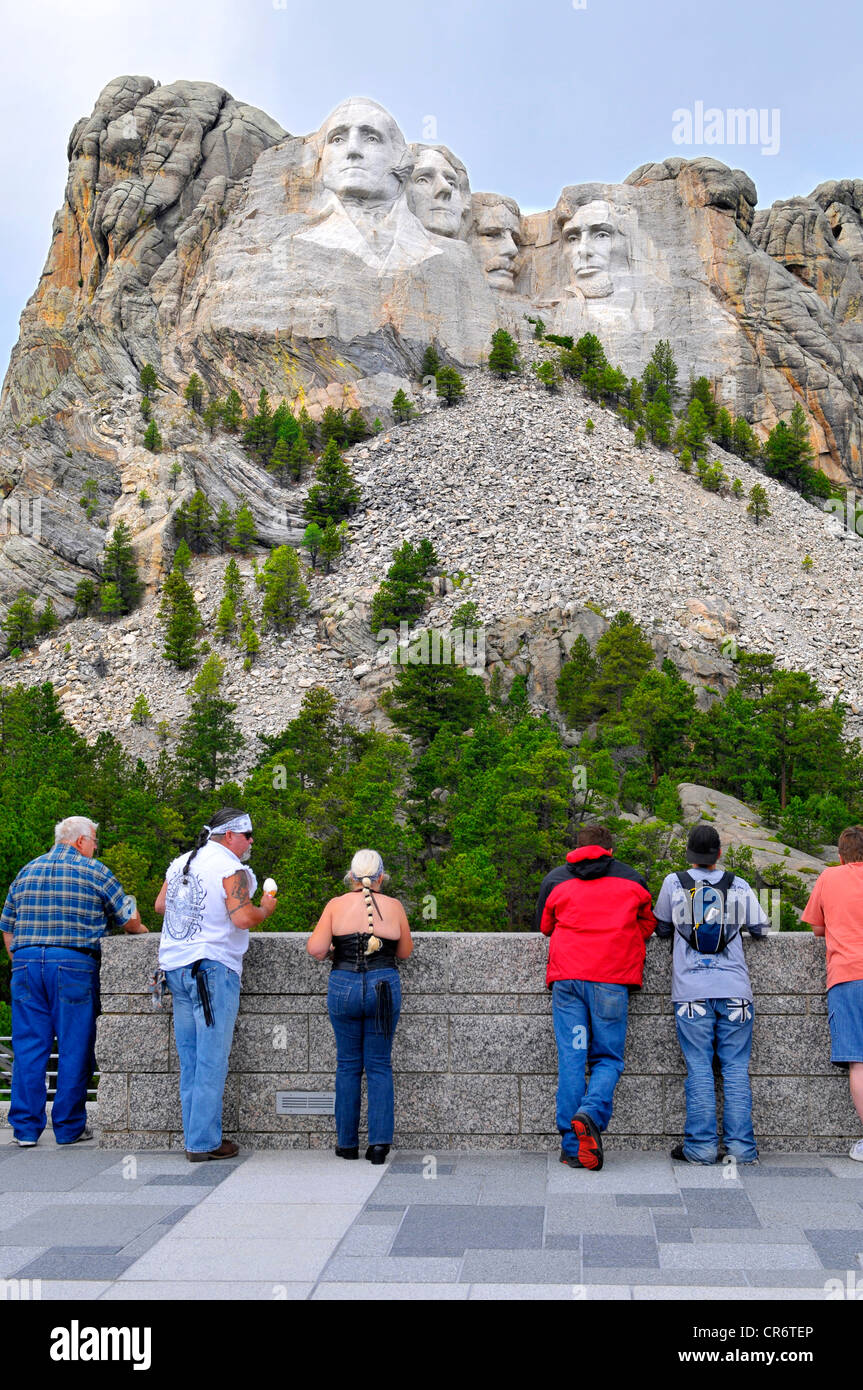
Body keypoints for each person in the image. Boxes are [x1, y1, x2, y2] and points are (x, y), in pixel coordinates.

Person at [1, 815, 147, 1147]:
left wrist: (23, 962)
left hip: (25, 962)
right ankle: (68, 1127)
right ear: (81, 841)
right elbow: (129, 918)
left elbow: (7, 926)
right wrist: (140, 928)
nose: (96, 847)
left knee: (28, 1047)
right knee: (74, 1046)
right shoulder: (95, 871)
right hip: (73, 963)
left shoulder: (27, 871)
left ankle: (25, 1129)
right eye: (95, 841)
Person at [154, 807, 277, 1162]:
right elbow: (242, 918)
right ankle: (203, 1142)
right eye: (247, 835)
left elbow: (162, 905)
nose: (251, 841)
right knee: (211, 1059)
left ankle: (197, 1136)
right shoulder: (230, 869)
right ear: (228, 836)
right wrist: (266, 907)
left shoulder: (182, 862)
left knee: (191, 1059)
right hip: (211, 969)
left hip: (175, 967)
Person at [534, 823, 656, 1170]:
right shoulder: (632, 880)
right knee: (607, 1058)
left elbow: (545, 927)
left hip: (567, 981)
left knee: (572, 1059)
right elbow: (648, 926)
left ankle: (572, 1147)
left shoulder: (557, 879)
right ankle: (590, 1112)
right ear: (611, 851)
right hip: (611, 982)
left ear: (576, 848)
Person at [654, 824, 769, 1165]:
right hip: (735, 992)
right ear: (719, 853)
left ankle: (701, 1148)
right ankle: (741, 1149)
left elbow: (661, 928)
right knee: (735, 1069)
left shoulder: (674, 883)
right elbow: (761, 928)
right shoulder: (738, 885)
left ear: (688, 853)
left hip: (690, 993)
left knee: (700, 1068)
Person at [307, 849, 413, 1164]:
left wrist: (331, 951)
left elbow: (314, 948)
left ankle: (347, 1144)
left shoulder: (335, 905)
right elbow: (404, 952)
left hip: (344, 985)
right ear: (381, 877)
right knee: (379, 1065)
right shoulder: (394, 907)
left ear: (352, 877)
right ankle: (379, 1146)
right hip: (383, 986)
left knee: (348, 1065)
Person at [801, 825, 863, 1161]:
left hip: (848, 976)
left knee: (859, 1062)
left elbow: (816, 928)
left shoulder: (830, 877)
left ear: (840, 855)